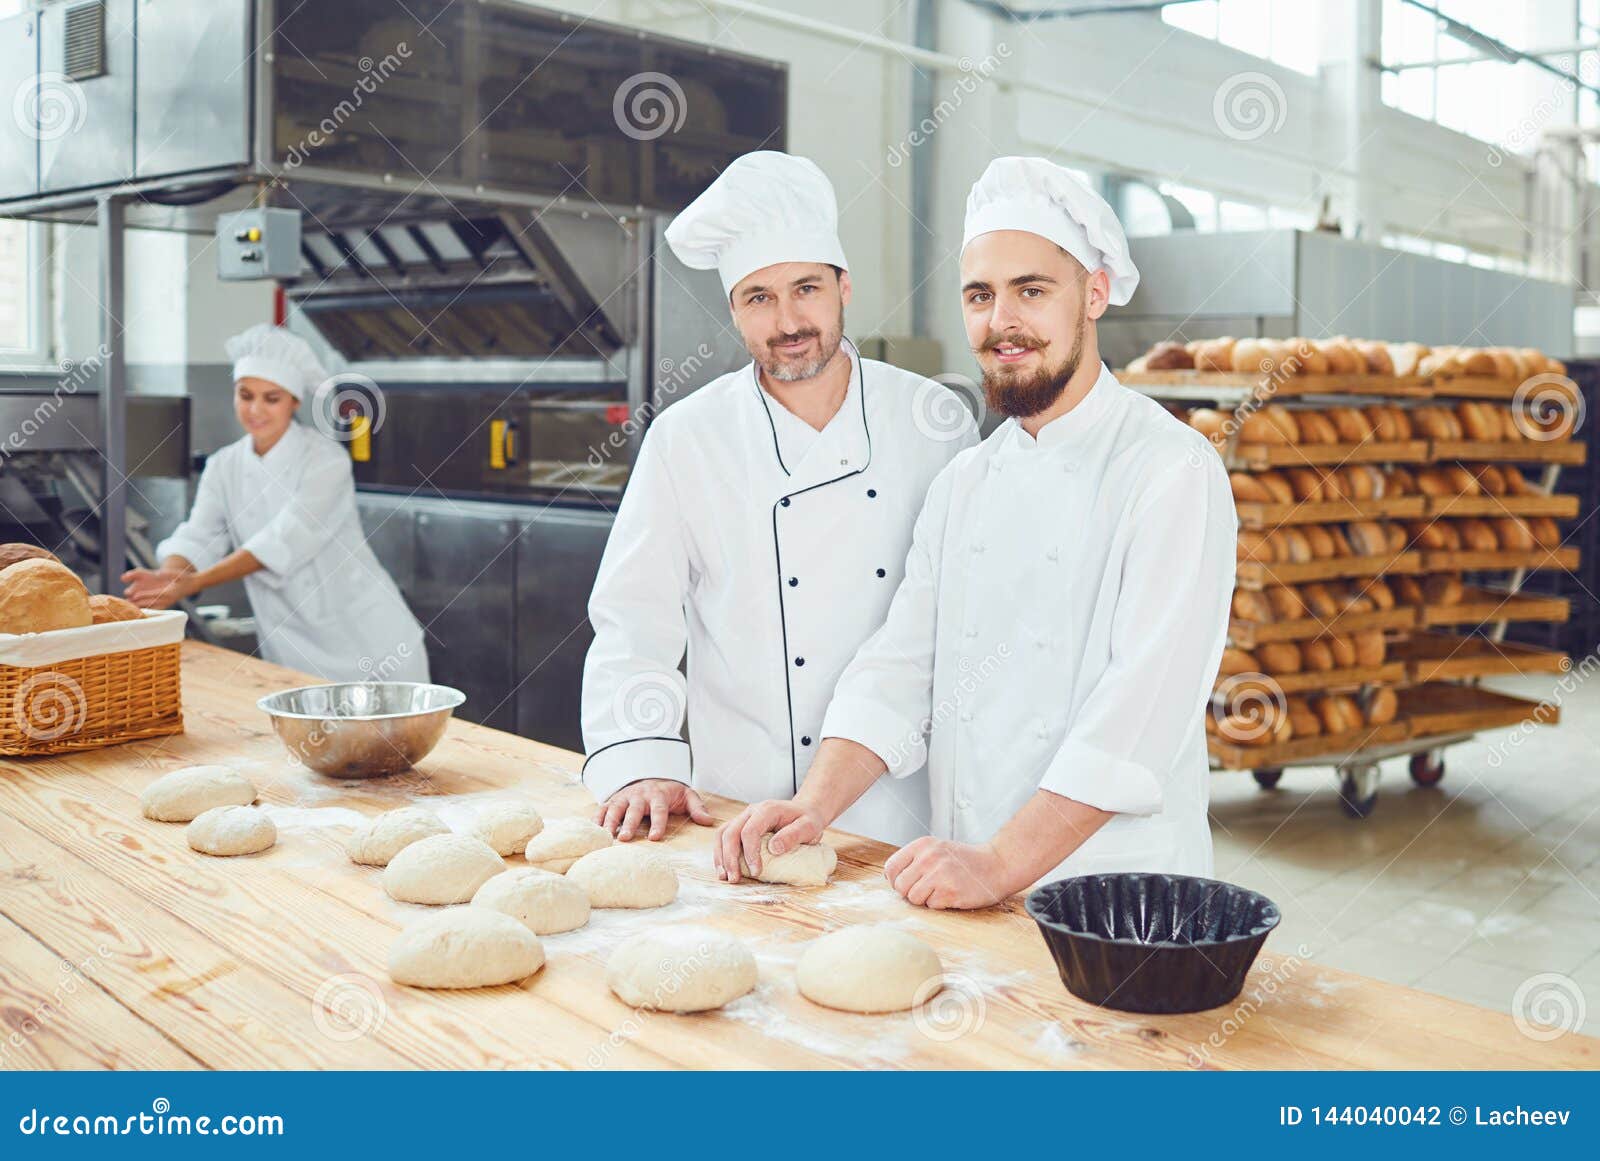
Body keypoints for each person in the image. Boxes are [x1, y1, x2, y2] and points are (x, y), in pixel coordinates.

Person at [714, 156, 1237, 905]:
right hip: (966, 886)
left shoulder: (1170, 471)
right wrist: (813, 805)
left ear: (1093, 293)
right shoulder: (965, 482)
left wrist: (999, 862)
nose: (1002, 323)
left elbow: (1139, 714)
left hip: (1115, 901)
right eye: (980, 295)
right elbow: (901, 666)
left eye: (1032, 290)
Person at [582, 151, 979, 845]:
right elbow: (632, 616)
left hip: (900, 811)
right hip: (736, 806)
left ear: (844, 287)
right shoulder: (687, 438)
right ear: (733, 310)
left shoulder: (933, 422)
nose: (789, 320)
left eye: (806, 288)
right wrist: (639, 758)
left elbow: (960, 619)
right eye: (759, 297)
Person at [123, 324, 429, 685]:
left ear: (294, 402)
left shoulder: (325, 460)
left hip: (368, 642)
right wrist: (169, 575)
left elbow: (282, 541)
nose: (255, 410)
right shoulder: (225, 465)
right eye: (245, 394)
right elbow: (199, 535)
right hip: (292, 646)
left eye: (272, 398)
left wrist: (191, 584)